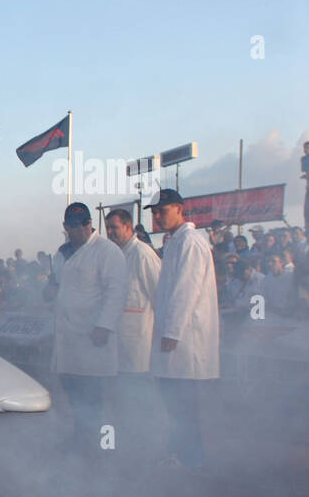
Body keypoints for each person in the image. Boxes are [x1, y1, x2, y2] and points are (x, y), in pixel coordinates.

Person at [48, 202, 129, 452]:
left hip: (92, 337)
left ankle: (97, 446)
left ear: (90, 224)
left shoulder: (107, 251)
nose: (79, 229)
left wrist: (104, 325)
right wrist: (48, 290)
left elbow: (117, 292)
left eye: (84, 224)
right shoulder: (62, 253)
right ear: (65, 227)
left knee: (92, 397)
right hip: (68, 339)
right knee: (72, 393)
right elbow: (56, 285)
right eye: (73, 225)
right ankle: (80, 438)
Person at [148, 189, 219, 468]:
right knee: (174, 402)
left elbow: (185, 291)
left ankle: (192, 460)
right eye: (154, 211)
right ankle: (180, 453)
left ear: (179, 208)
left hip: (185, 337)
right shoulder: (175, 242)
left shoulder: (191, 241)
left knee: (183, 404)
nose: (157, 215)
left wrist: (172, 331)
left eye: (162, 210)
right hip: (175, 335)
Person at [105, 208, 160, 375]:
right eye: (107, 228)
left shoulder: (143, 255)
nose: (109, 232)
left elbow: (160, 297)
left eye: (114, 227)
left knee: (138, 393)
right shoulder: (113, 256)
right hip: (117, 344)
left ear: (128, 227)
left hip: (139, 345)